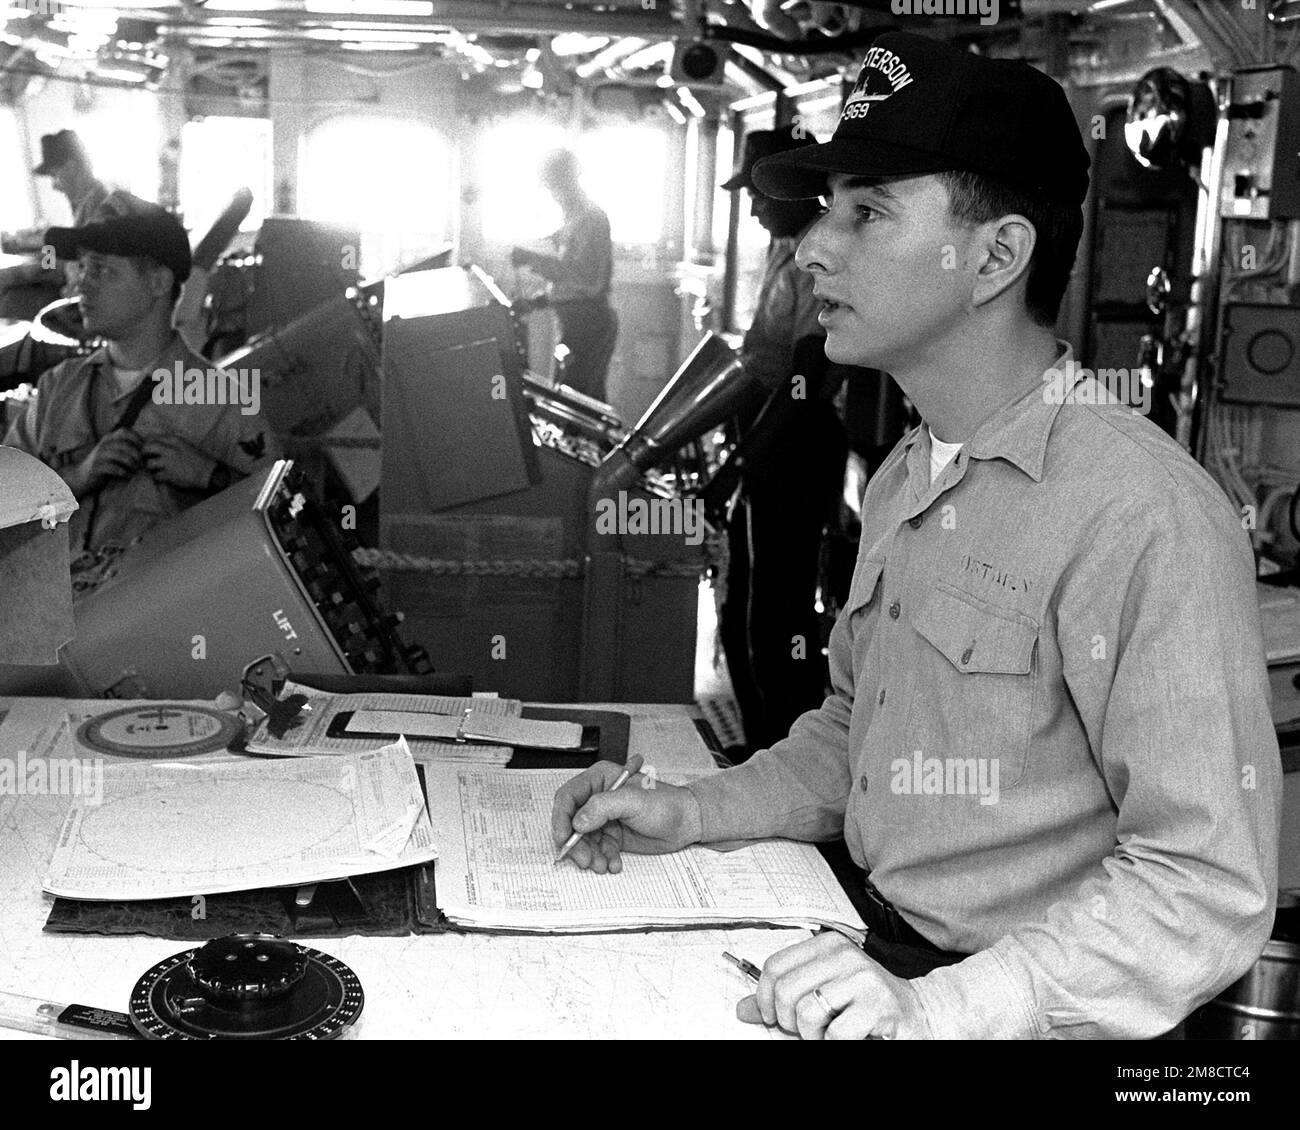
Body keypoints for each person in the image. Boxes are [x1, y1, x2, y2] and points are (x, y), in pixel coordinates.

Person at [552, 31, 1281, 1040]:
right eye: (826, 212)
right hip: (879, 951)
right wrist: (688, 809)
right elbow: (856, 741)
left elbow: (1204, 887)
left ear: (993, 256)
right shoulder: (908, 470)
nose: (813, 248)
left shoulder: (1142, 514)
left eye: (868, 212)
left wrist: (939, 1007)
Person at [3, 206, 279, 560]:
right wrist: (76, 477)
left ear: (158, 283)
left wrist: (212, 477)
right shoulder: (58, 388)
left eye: (101, 269)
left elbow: (283, 522)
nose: (81, 282)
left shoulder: (225, 404)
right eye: (84, 267)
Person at [713, 126, 850, 755]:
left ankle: (783, 753)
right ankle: (761, 741)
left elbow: (803, 376)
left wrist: (743, 462)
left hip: (794, 444)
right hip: (767, 440)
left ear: (796, 191)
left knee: (778, 614)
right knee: (742, 601)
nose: (752, 207)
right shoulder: (782, 253)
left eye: (761, 193)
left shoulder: (816, 261)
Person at [510, 148, 617, 402]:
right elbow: (568, 282)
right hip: (575, 321)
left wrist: (531, 259)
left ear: (568, 183)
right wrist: (537, 301)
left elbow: (586, 280)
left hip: (589, 323)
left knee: (576, 403)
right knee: (580, 403)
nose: (553, 196)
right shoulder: (573, 220)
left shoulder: (591, 219)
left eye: (553, 188)